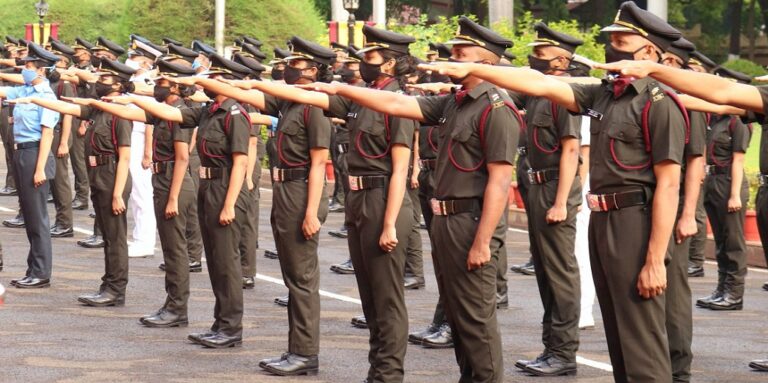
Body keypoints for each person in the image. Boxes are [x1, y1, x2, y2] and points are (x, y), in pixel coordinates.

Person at [423, 3, 688, 380]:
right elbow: (542, 84)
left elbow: (669, 184)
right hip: (605, 219)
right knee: (620, 337)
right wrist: (478, 69)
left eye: (620, 41)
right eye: (611, 40)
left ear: (648, 51)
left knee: (641, 339)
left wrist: (655, 260)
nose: (610, 48)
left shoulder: (659, 103)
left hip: (637, 221)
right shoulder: (605, 95)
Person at [301, 17, 520, 382]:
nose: (452, 58)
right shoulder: (454, 103)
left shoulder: (496, 108)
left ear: (486, 61)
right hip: (446, 220)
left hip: (471, 222)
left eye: (461, 53)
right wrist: (339, 88)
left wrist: (483, 242)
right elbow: (393, 102)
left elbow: (500, 181)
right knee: (459, 319)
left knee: (477, 322)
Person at [110, 54, 251, 348]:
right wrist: (128, 96)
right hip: (208, 186)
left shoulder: (235, 113)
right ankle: (220, 324)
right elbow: (169, 114)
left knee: (227, 264)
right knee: (215, 262)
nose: (206, 84)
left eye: (213, 79)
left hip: (225, 188)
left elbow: (240, 162)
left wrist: (229, 204)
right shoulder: (208, 111)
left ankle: (231, 328)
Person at [64, 58, 199, 327]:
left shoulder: (180, 113)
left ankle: (177, 308)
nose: (156, 86)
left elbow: (183, 158)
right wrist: (97, 101)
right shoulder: (164, 111)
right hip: (162, 180)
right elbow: (131, 111)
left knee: (175, 251)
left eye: (162, 82)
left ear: (176, 86)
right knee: (170, 250)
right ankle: (171, 306)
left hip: (174, 183)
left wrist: (173, 197)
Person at [15, 59, 136, 305]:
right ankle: (107, 285)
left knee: (115, 238)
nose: (99, 83)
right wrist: (35, 100)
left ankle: (115, 290)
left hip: (113, 176)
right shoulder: (99, 109)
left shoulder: (121, 115)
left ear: (119, 85)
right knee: (108, 237)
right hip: (99, 176)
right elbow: (68, 108)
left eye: (105, 80)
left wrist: (117, 194)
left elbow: (125, 157)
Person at [512, 22, 584, 377]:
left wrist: (560, 202)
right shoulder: (538, 92)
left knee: (559, 273)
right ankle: (551, 348)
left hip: (556, 188)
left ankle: (563, 352)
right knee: (544, 271)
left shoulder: (562, 94)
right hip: (538, 186)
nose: (533, 58)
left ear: (561, 61)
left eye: (540, 54)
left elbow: (571, 150)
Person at [658, 37, 706, 383]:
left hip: (675, 208)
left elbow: (696, 161)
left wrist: (688, 214)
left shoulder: (687, 101)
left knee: (673, 292)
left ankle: (678, 370)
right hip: (648, 205)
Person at [1, 43, 61, 289]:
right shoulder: (25, 90)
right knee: (29, 215)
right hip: (21, 154)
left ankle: (41, 272)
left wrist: (40, 169)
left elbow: (47, 134)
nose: (24, 69)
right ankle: (32, 269)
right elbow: (4, 91)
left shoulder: (46, 97)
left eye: (28, 66)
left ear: (41, 70)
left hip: (35, 154)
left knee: (37, 218)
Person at [684, 50, 718, 278]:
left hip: (697, 165)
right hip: (689, 163)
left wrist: (702, 165)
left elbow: (701, 139)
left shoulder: (700, 102)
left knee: (695, 213)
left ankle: (696, 260)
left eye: (697, 71)